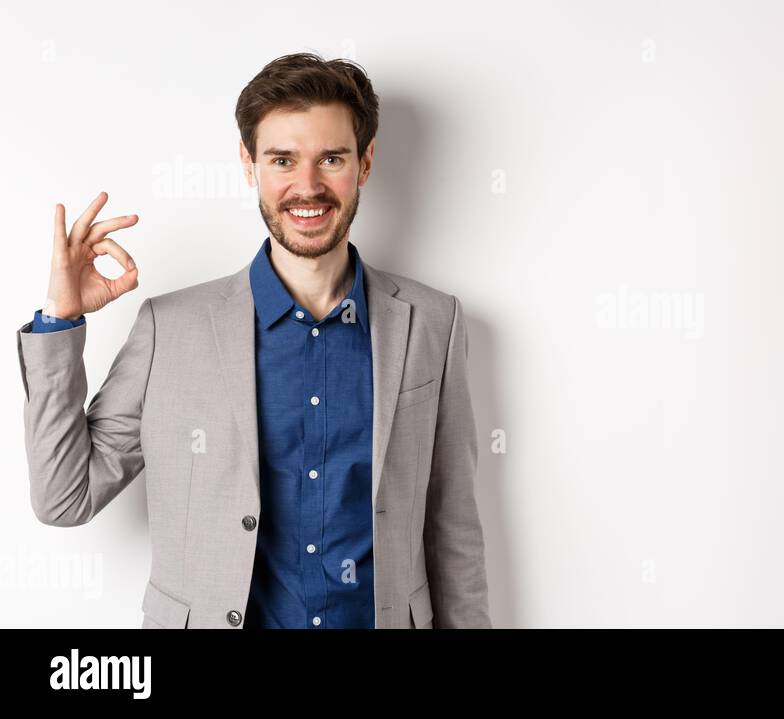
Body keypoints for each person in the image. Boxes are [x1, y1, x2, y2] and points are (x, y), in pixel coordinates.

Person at [16, 52, 490, 629]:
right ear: (249, 164)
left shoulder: (433, 323)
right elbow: (65, 498)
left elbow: (454, 529)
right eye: (282, 159)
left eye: (331, 158)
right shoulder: (171, 328)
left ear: (365, 163)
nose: (307, 187)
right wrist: (60, 320)